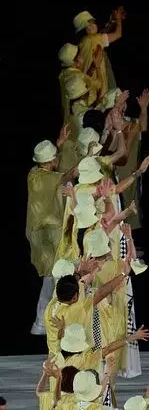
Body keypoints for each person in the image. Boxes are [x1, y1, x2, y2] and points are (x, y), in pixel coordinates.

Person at [27, 129, 76, 335]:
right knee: (54, 276)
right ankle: (47, 322)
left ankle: (42, 323)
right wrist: (89, 158)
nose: (58, 158)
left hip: (39, 234)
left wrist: (59, 142)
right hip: (48, 234)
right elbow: (68, 175)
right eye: (55, 157)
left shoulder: (33, 173)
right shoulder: (48, 178)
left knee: (51, 276)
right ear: (51, 162)